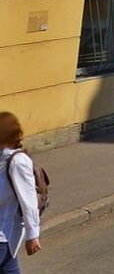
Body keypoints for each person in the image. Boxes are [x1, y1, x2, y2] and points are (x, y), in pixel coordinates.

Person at [0, 112, 42, 274]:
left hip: (4, 234)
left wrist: (32, 235)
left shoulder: (18, 162)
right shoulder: (1, 158)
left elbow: (29, 202)